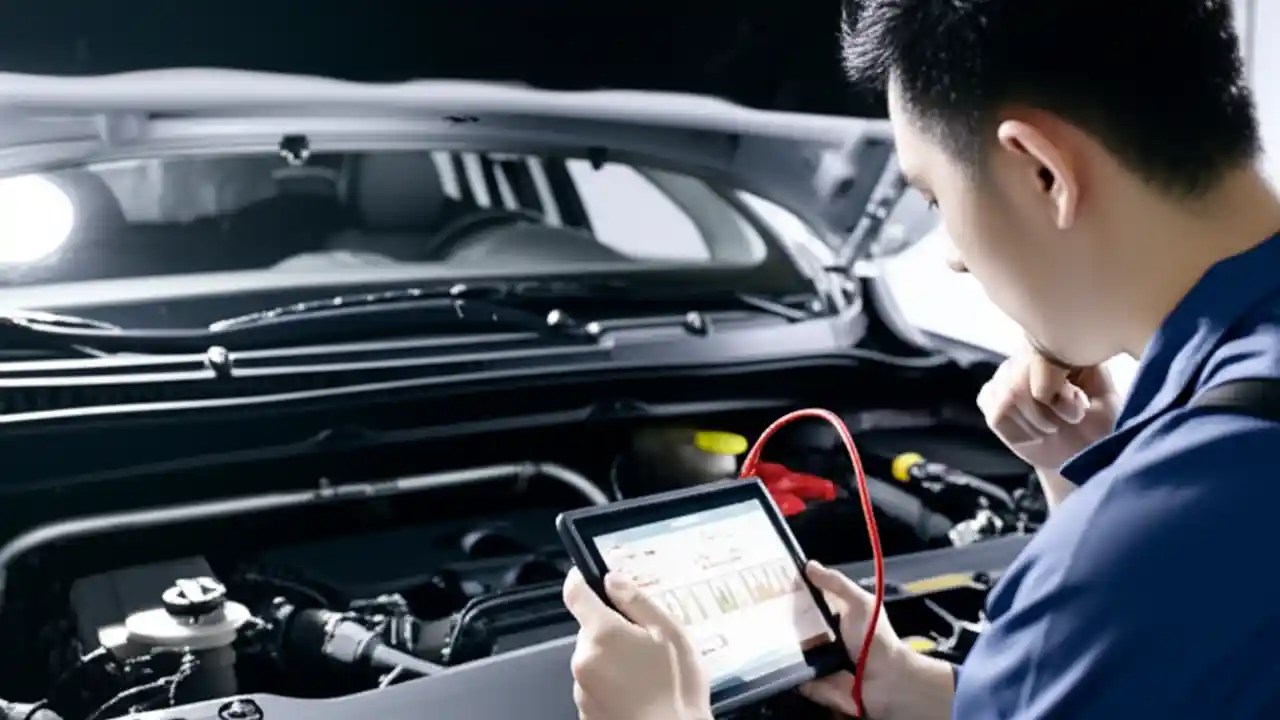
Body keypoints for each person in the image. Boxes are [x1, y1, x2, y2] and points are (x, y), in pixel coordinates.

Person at [562, 0, 1280, 717]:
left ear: (1042, 174)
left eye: (933, 197)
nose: (952, 257)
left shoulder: (1137, 554)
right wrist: (917, 687)